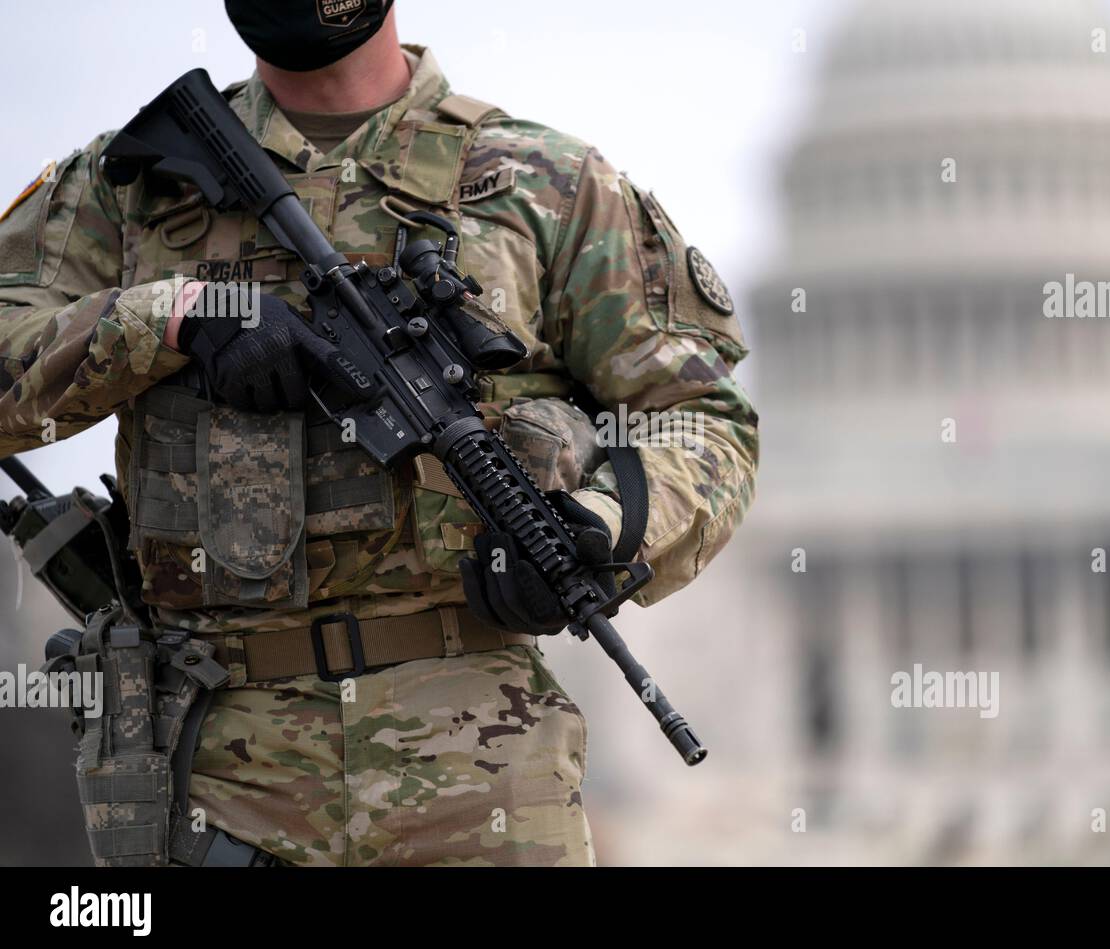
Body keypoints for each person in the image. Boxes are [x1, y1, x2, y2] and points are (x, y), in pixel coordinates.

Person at [0, 0, 757, 865]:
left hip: (481, 766)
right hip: (212, 767)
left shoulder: (544, 184)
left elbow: (702, 419)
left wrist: (611, 524)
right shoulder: (127, 190)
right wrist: (171, 321)